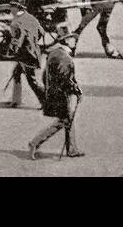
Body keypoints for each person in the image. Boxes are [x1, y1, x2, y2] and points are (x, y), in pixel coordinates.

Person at [30, 24, 84, 159]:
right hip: (61, 95)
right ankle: (35, 142)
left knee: (67, 120)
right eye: (72, 39)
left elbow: (45, 75)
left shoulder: (54, 53)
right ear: (66, 40)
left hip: (54, 92)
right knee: (64, 120)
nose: (75, 41)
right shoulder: (65, 58)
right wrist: (76, 90)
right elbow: (65, 80)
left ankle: (72, 149)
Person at [6, 0, 45, 108]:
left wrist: (12, 50)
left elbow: (16, 41)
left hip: (26, 55)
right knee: (16, 73)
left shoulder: (16, 22)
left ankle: (46, 101)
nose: (11, 9)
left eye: (12, 6)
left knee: (32, 81)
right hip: (33, 52)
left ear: (17, 8)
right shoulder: (30, 18)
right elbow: (42, 32)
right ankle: (16, 100)